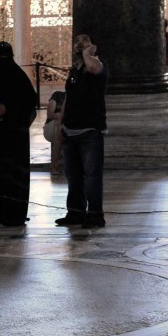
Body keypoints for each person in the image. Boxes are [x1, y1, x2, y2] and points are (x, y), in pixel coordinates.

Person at [0, 42, 37, 226]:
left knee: (12, 174)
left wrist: (8, 111)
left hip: (14, 137)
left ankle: (13, 213)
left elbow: (28, 107)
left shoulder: (18, 79)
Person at [56, 33, 108, 229]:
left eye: (84, 40)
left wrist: (88, 53)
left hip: (90, 130)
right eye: (76, 41)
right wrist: (61, 124)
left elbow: (93, 67)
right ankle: (75, 213)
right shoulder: (74, 71)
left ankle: (95, 215)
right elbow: (68, 99)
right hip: (70, 130)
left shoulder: (98, 65)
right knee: (73, 175)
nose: (79, 43)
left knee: (92, 175)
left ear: (93, 46)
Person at [45, 90, 66, 176]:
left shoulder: (79, 96)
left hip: (69, 124)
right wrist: (63, 116)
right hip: (53, 125)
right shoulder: (57, 95)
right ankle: (54, 166)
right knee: (59, 127)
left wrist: (60, 114)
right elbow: (50, 114)